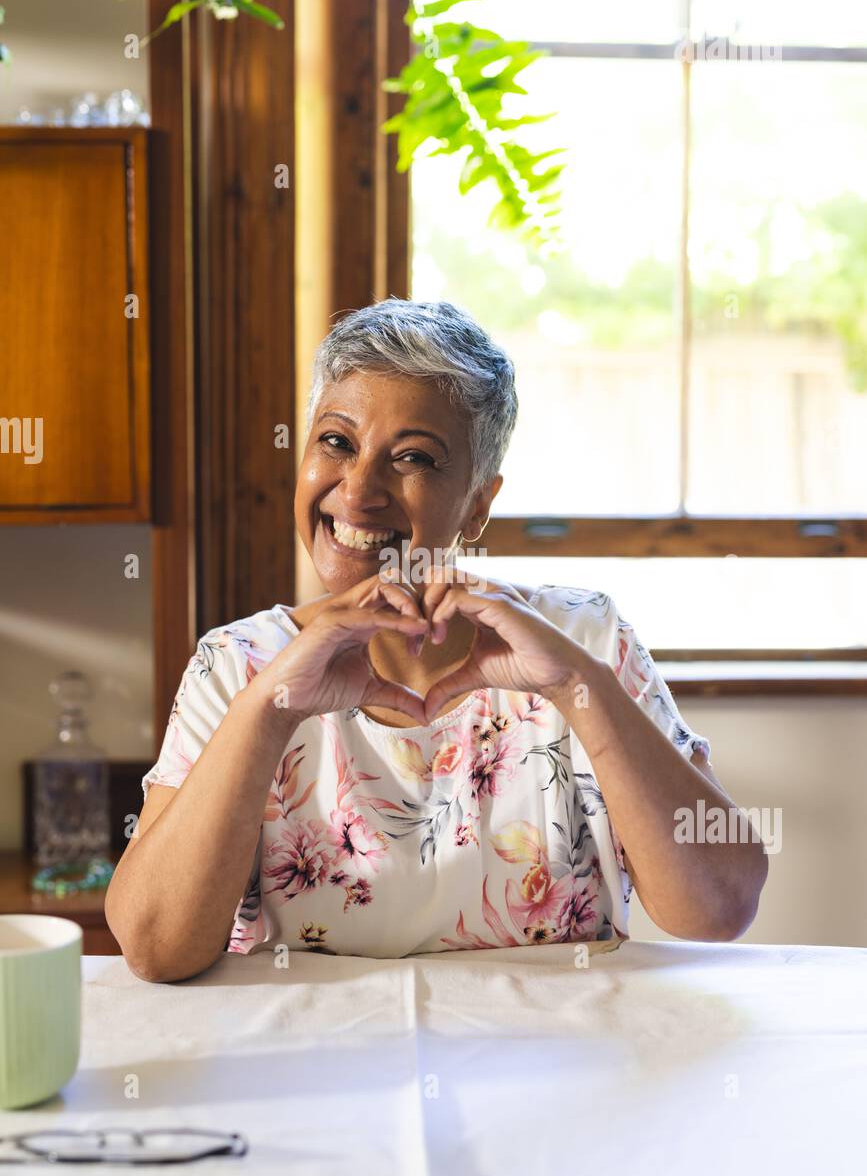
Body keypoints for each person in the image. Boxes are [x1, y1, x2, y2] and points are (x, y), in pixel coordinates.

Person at [106, 297, 767, 981]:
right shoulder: (237, 662)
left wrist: (576, 688)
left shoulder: (582, 637)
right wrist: (269, 706)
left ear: (477, 503)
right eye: (336, 442)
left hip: (556, 1065)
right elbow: (157, 947)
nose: (358, 491)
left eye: (414, 458)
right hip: (315, 1064)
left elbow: (715, 910)